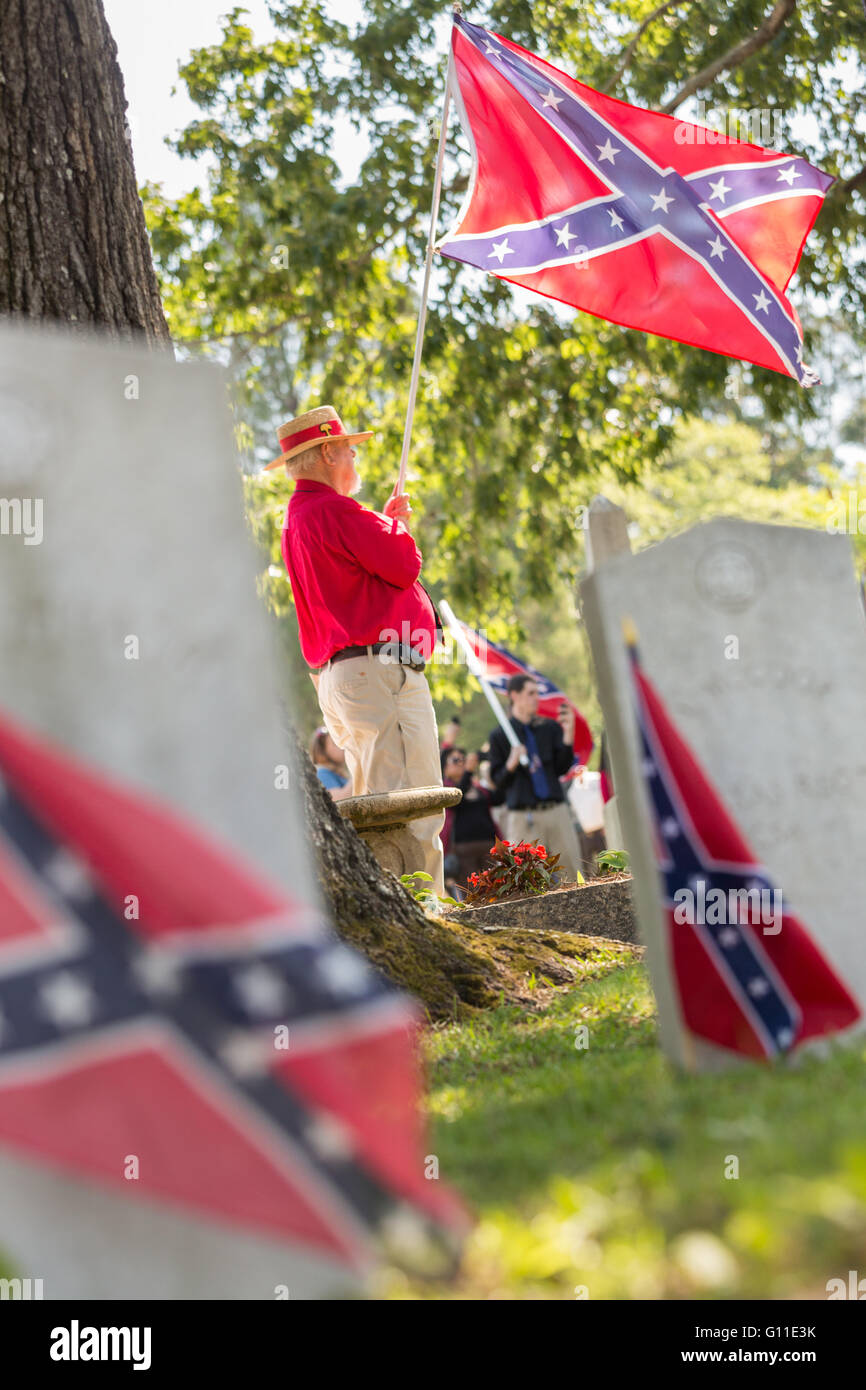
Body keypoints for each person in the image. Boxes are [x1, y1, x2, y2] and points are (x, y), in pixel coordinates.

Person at [269, 404, 446, 891]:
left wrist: (385, 525)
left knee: (380, 806)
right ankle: (428, 915)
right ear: (328, 452)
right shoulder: (335, 510)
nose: (354, 457)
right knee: (414, 804)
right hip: (377, 674)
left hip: (343, 679)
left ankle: (409, 909)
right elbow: (402, 564)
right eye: (348, 448)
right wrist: (398, 529)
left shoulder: (299, 518)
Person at [487, 673, 583, 882]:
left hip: (556, 812)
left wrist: (568, 737)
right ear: (514, 695)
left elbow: (561, 768)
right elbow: (498, 783)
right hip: (523, 817)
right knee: (529, 881)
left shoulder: (549, 728)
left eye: (537, 693)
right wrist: (511, 763)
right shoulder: (499, 736)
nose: (536, 698)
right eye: (530, 693)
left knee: (573, 875)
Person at [440, 745, 503, 888]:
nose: (462, 763)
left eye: (463, 759)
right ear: (444, 767)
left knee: (494, 888)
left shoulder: (478, 787)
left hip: (488, 846)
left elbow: (499, 798)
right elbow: (456, 801)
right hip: (462, 850)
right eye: (456, 760)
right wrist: (468, 771)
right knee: (473, 891)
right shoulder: (445, 788)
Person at [309, 727, 352, 803]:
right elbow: (339, 800)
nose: (341, 746)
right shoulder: (322, 773)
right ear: (323, 751)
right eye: (335, 743)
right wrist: (360, 770)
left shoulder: (336, 772)